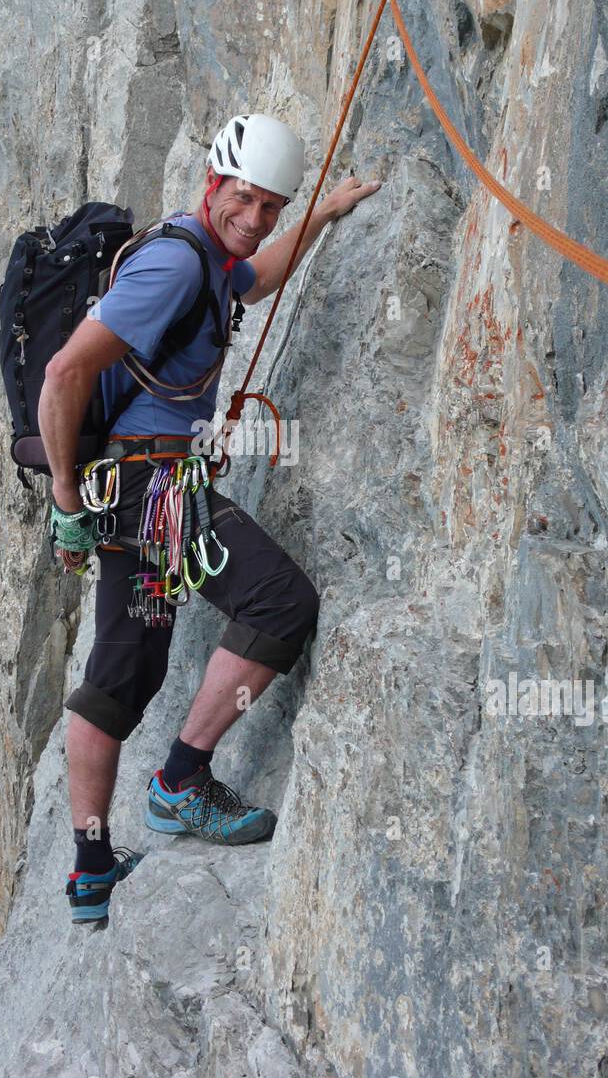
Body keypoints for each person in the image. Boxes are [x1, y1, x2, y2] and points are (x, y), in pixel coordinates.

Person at [38, 113, 381, 922]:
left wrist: (319, 215)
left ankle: (90, 868)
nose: (254, 218)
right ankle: (180, 782)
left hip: (140, 495)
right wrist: (64, 505)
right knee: (280, 603)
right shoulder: (173, 267)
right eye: (245, 199)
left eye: (270, 206)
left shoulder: (211, 259)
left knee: (122, 673)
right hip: (148, 492)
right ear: (211, 185)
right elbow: (63, 371)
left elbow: (253, 279)